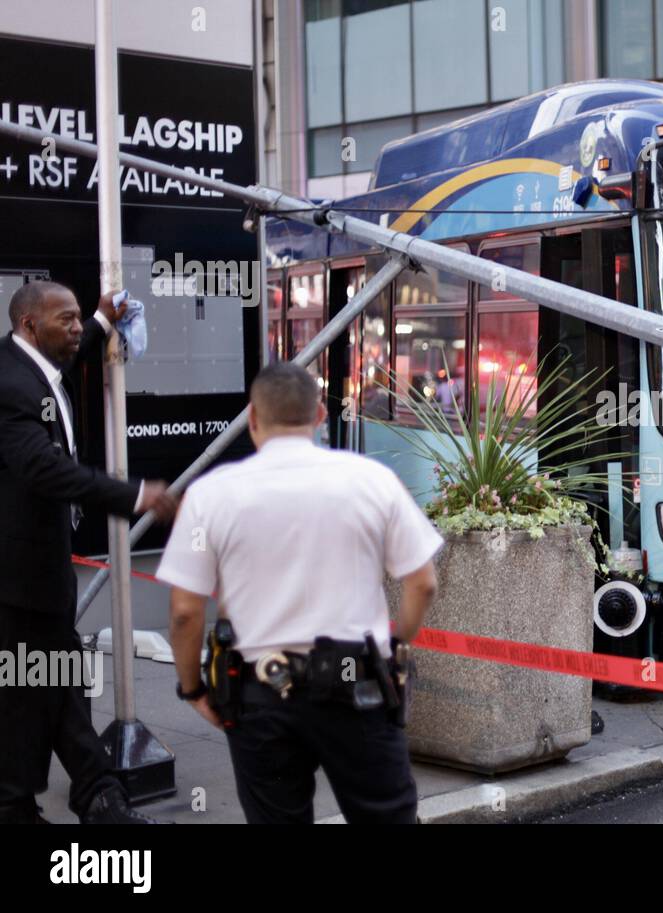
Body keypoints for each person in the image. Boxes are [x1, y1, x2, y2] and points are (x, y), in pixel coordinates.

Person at [158, 362, 441, 824]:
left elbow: (185, 613)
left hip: (259, 693)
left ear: (252, 418)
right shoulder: (371, 481)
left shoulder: (209, 495)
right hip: (359, 683)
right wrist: (398, 647)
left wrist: (192, 688)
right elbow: (423, 582)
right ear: (318, 418)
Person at [0, 280, 178, 824]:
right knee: (31, 692)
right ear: (31, 325)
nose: (78, 328)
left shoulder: (35, 367)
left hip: (39, 576)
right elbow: (42, 467)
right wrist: (135, 494)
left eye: (81, 318)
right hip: (14, 582)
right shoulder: (9, 384)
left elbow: (71, 362)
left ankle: (97, 798)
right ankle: (36, 802)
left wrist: (102, 318)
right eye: (67, 319)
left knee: (56, 683)